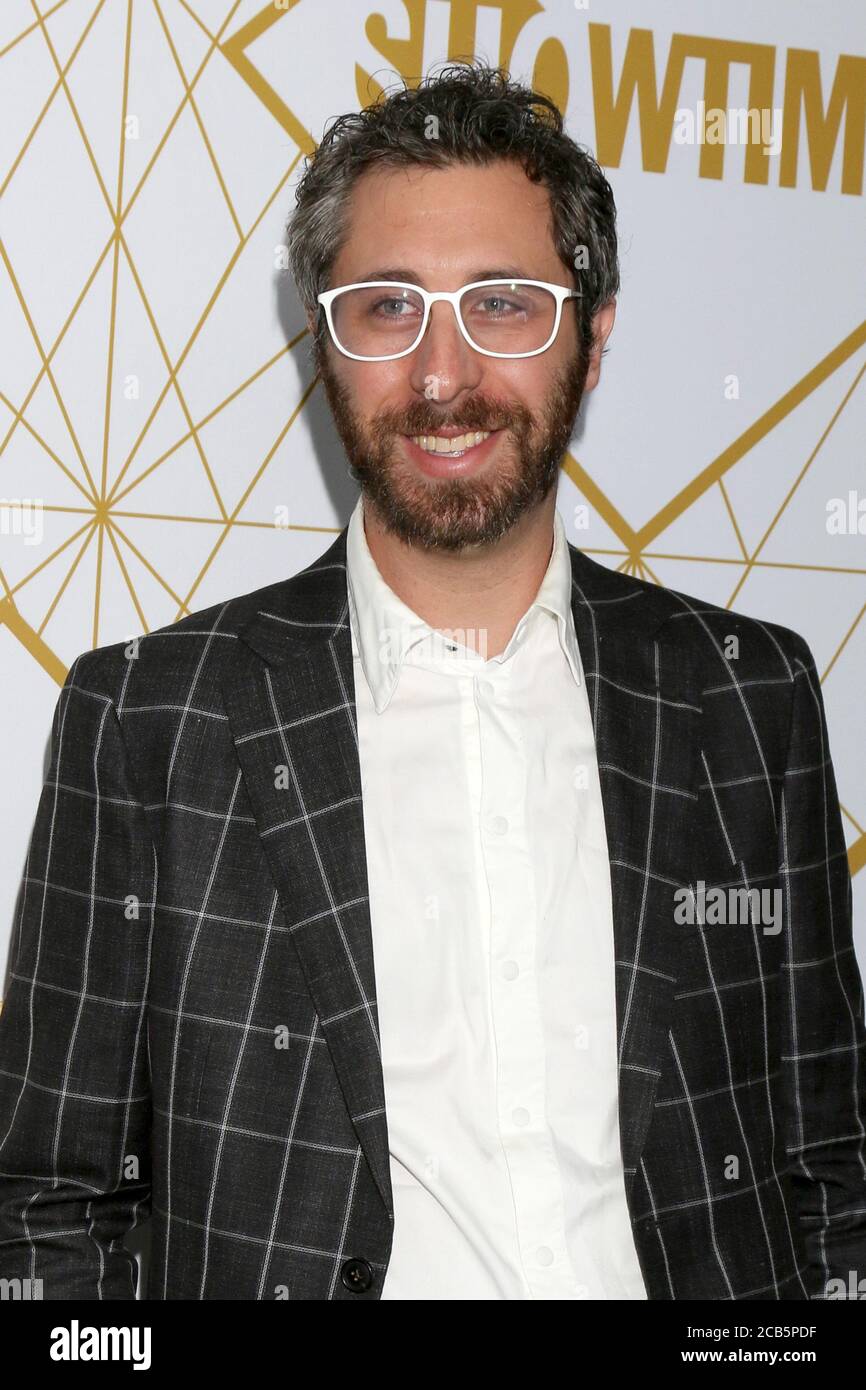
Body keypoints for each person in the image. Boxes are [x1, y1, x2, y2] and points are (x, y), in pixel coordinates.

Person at [1, 60, 864, 1301]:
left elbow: (828, 1177)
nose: (442, 376)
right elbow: (46, 1205)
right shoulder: (150, 717)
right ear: (324, 342)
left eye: (502, 305)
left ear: (592, 336)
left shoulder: (746, 694)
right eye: (386, 308)